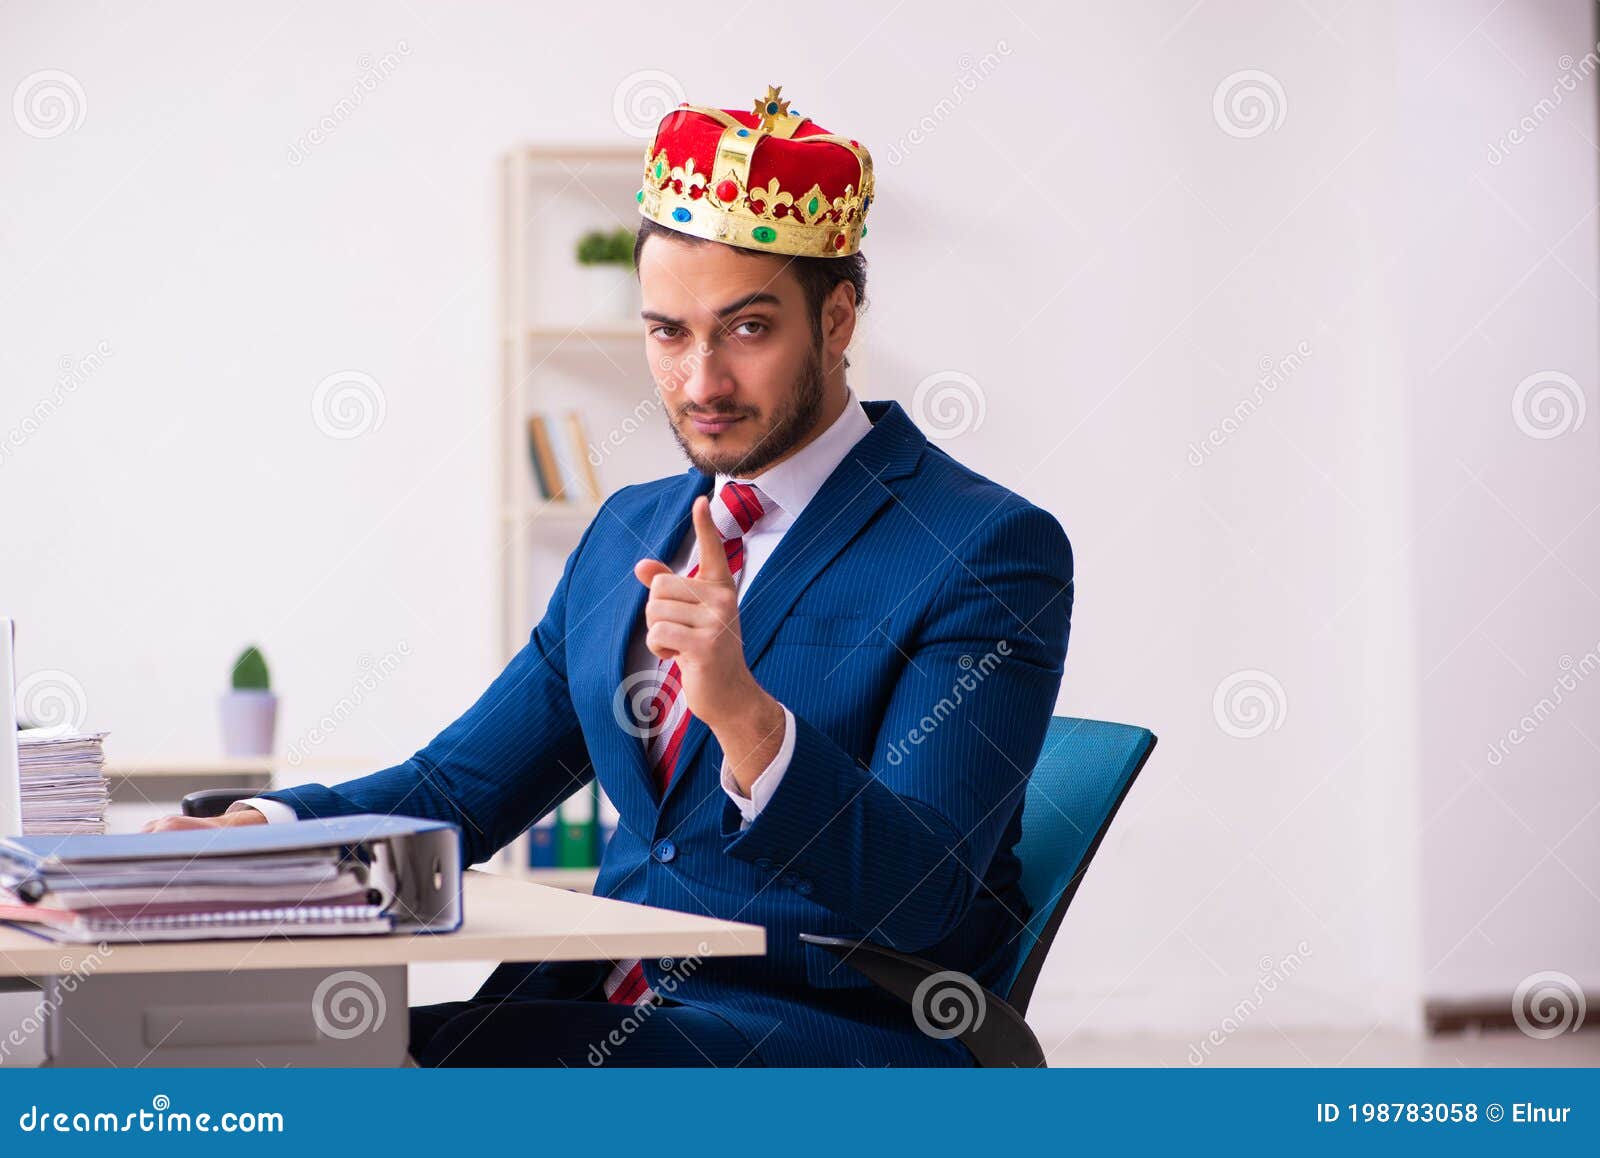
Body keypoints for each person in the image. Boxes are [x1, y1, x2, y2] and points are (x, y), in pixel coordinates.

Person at [145, 85, 1075, 1067]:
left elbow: (921, 897)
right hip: (593, 1004)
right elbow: (459, 791)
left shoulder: (981, 547)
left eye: (748, 329)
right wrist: (262, 830)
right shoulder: (630, 528)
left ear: (837, 319)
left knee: (358, 1083)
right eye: (668, 332)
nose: (701, 381)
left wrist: (748, 720)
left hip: (817, 1033)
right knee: (249, 1060)